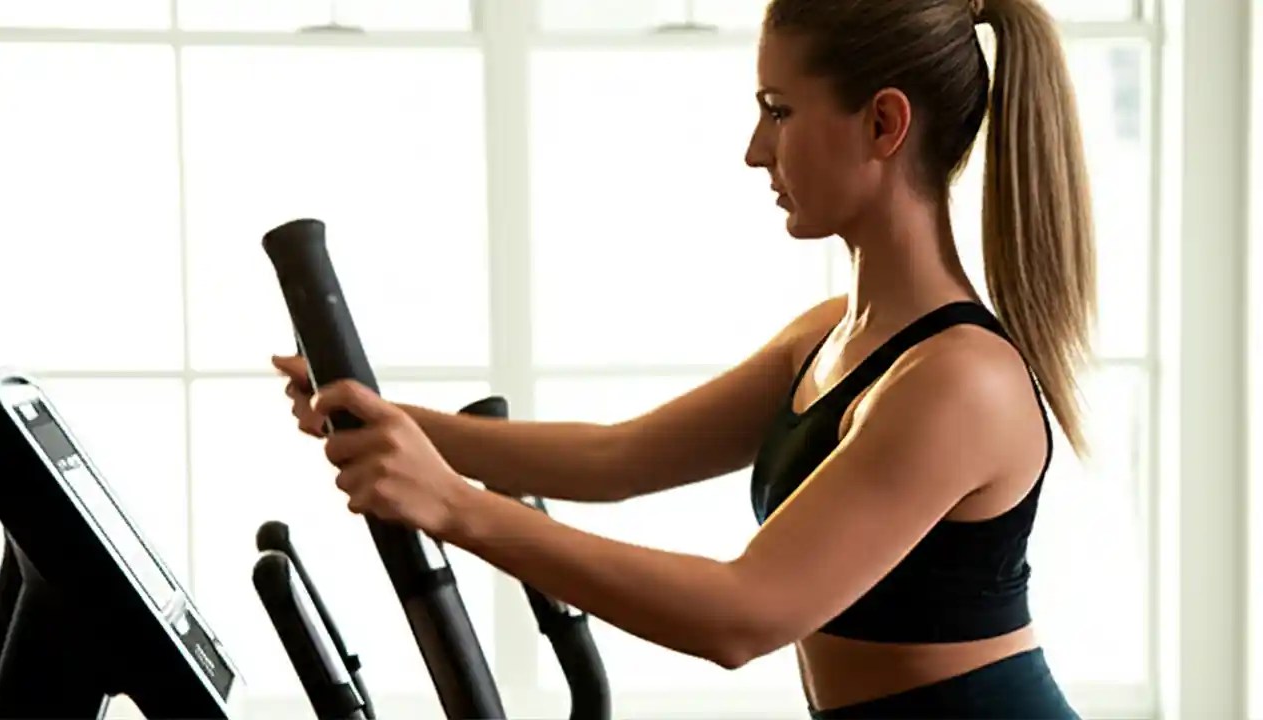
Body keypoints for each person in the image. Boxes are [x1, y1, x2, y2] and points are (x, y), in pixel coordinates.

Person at [272, 0, 1093, 716]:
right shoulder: (829, 336)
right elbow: (616, 458)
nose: (754, 149)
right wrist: (384, 419)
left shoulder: (959, 382)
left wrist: (453, 506)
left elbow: (743, 615)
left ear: (883, 123)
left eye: (779, 111)